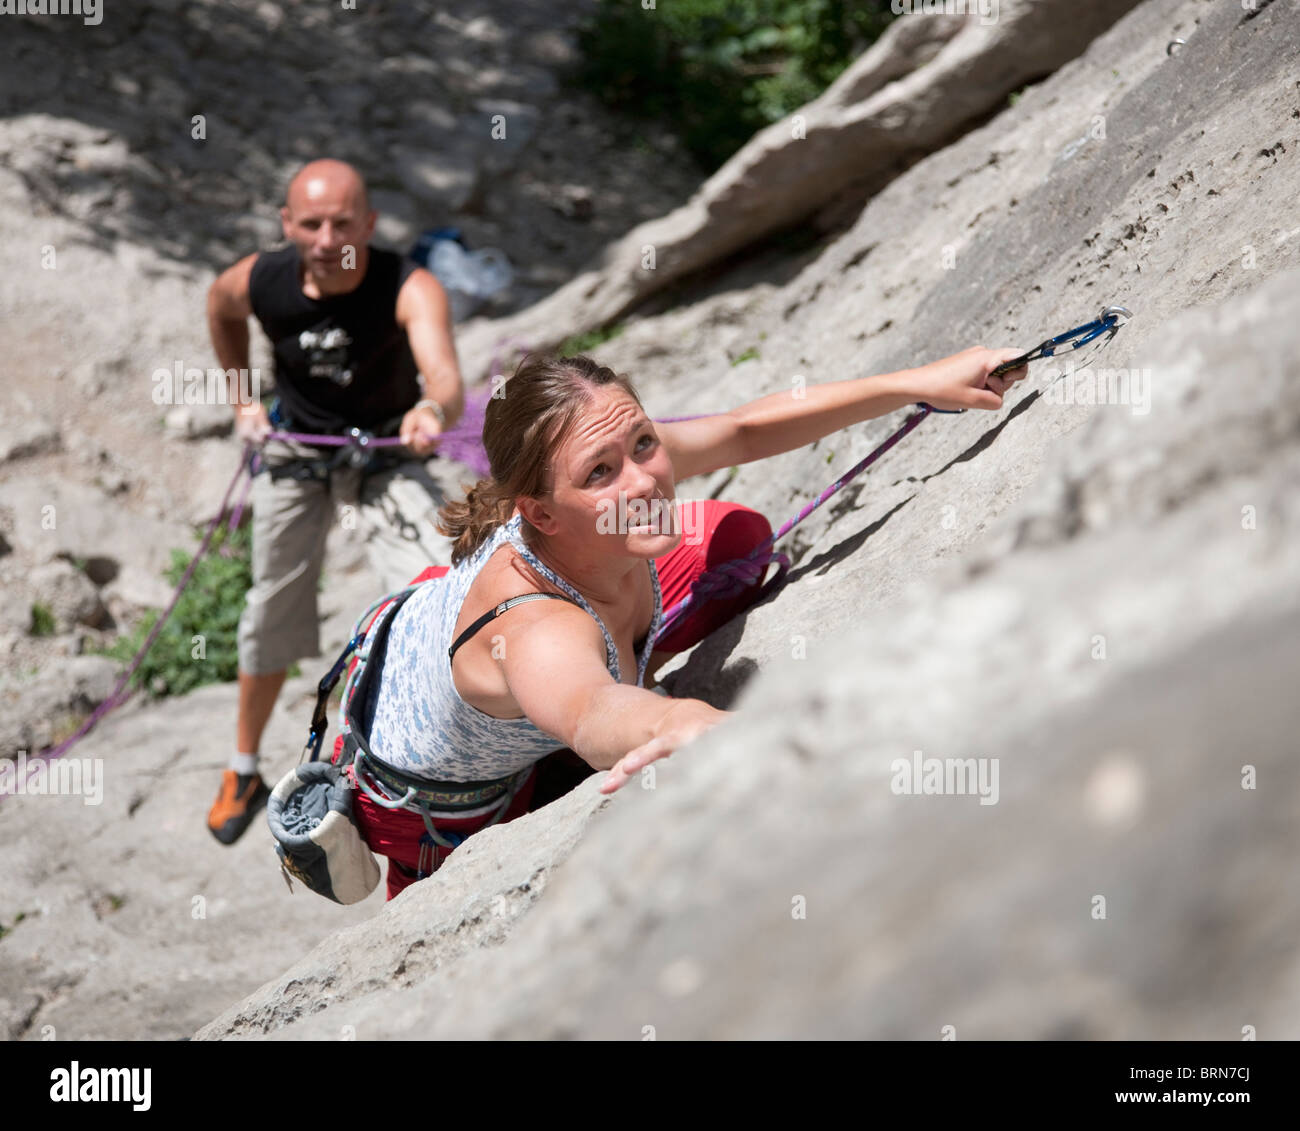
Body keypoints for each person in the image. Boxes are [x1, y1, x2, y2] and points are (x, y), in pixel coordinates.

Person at [342, 348, 1029, 899]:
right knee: (576, 729)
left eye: (643, 442)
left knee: (736, 538)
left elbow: (742, 429)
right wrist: (680, 723)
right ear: (540, 512)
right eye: (602, 472)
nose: (642, 480)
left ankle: (619, 666)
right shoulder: (535, 629)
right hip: (425, 799)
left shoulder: (603, 455)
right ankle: (420, 867)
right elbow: (590, 709)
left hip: (501, 620)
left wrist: (919, 382)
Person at [204, 158, 467, 845]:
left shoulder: (407, 284)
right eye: (311, 223)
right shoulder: (262, 278)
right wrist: (242, 400)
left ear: (369, 224)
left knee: (430, 586)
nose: (326, 238)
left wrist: (432, 407)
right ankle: (243, 768)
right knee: (271, 604)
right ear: (287, 225)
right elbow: (219, 306)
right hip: (297, 445)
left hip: (387, 447)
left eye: (342, 222)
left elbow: (443, 371)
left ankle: (427, 751)